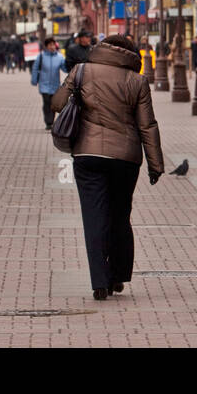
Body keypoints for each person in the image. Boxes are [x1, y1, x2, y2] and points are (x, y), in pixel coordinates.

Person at [51, 34, 164, 301]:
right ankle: (117, 276)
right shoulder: (138, 81)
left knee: (94, 217)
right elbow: (147, 125)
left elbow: (56, 104)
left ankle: (99, 282)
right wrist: (155, 164)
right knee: (120, 215)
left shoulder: (81, 71)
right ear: (131, 56)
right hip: (126, 159)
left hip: (87, 155)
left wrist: (78, 96)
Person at [31, 36, 65, 129]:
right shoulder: (41, 56)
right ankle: (48, 122)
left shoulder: (59, 57)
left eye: (53, 44)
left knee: (53, 103)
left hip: (55, 85)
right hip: (44, 84)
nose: (52, 46)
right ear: (46, 46)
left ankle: (51, 121)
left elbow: (64, 68)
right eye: (50, 45)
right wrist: (34, 80)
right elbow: (35, 68)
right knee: (46, 102)